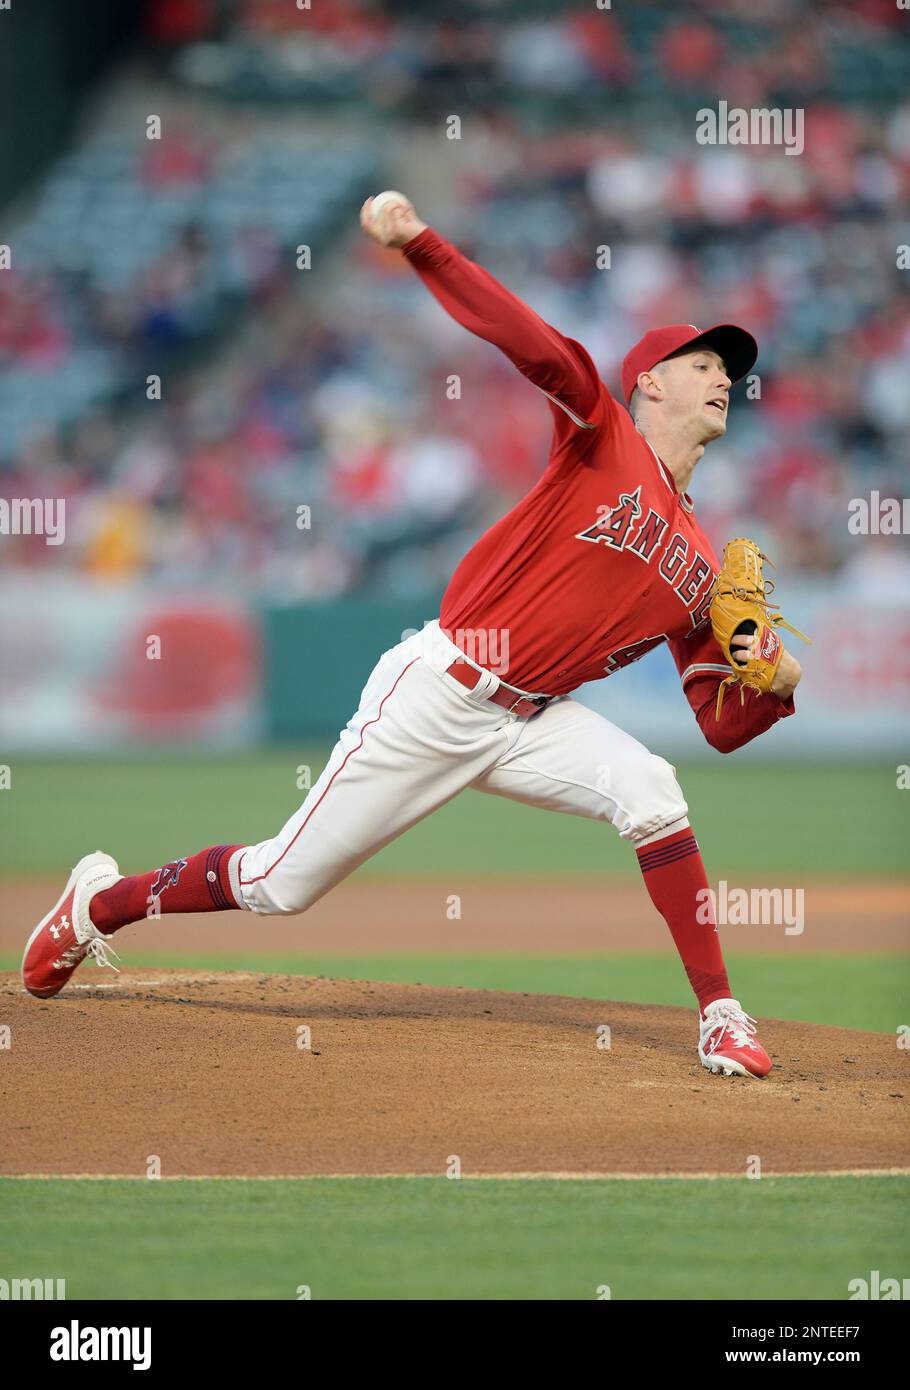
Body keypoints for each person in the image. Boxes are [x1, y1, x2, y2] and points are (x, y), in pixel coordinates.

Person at [22, 195, 805, 1079]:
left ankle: (721, 1016)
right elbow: (537, 345)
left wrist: (774, 684)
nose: (721, 377)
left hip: (535, 722)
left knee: (655, 788)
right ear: (649, 382)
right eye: (701, 362)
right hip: (442, 689)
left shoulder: (706, 564)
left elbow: (719, 723)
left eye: (728, 369)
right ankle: (102, 904)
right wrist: (421, 246)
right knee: (283, 884)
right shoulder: (604, 437)